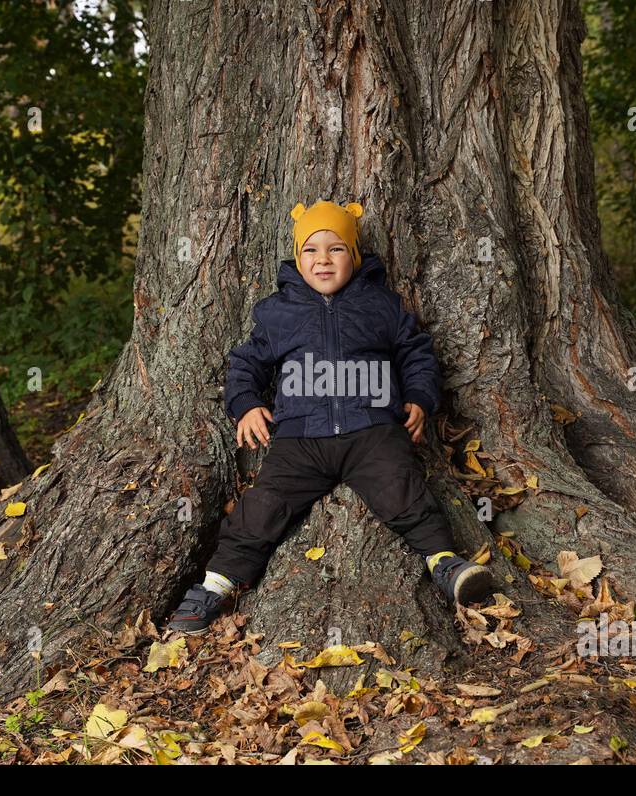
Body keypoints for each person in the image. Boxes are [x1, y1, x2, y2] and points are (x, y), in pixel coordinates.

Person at [167, 200, 494, 635]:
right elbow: (246, 363)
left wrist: (419, 397)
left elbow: (415, 352)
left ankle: (444, 562)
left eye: (336, 249)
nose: (323, 260)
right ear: (297, 257)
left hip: (372, 429)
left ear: (354, 256)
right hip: (301, 436)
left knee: (402, 488)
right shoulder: (278, 311)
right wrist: (244, 403)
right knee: (264, 504)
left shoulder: (380, 304)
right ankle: (215, 584)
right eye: (311, 250)